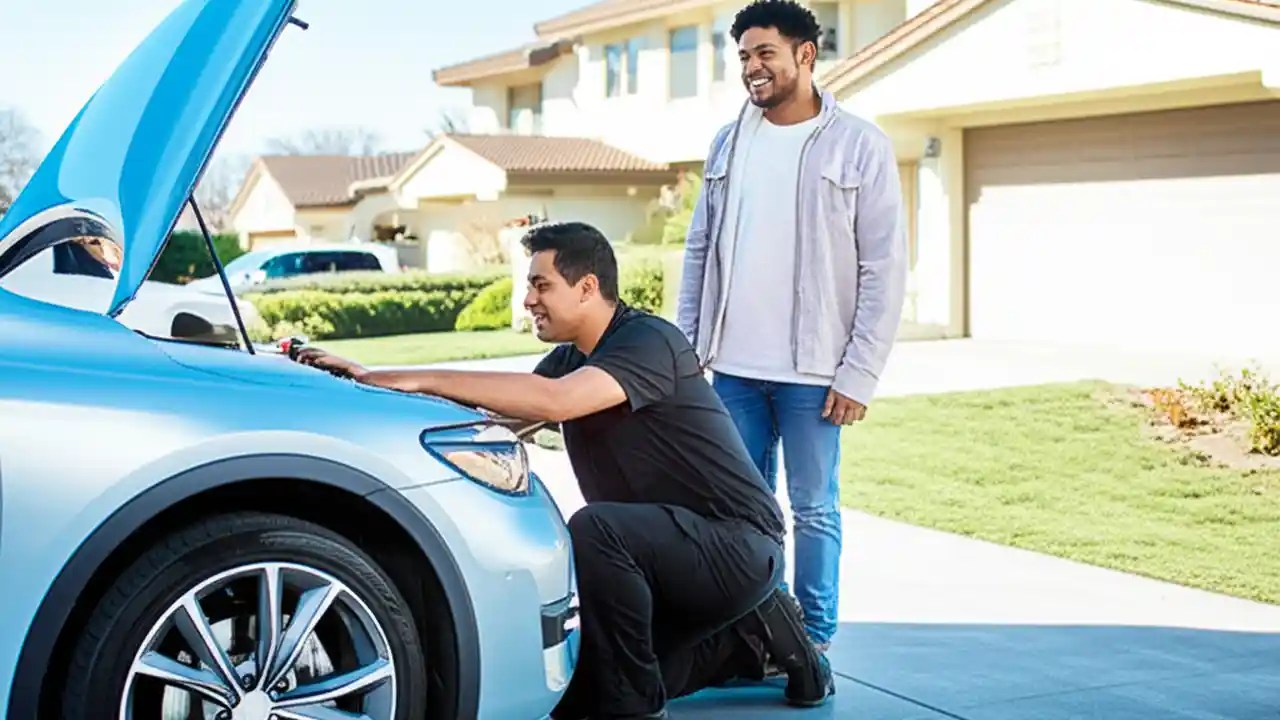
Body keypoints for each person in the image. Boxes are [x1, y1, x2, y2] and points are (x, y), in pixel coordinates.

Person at [293, 221, 835, 719]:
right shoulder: (569, 361)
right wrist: (363, 387)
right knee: (579, 695)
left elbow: (552, 402)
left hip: (736, 545)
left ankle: (637, 710)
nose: (527, 299)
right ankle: (753, 643)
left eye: (541, 285)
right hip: (660, 558)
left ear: (586, 286)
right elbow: (490, 418)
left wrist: (409, 376)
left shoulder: (650, 341)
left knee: (597, 537)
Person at [676, 0, 908, 652]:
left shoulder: (860, 145)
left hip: (816, 374)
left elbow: (884, 268)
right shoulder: (728, 142)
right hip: (734, 371)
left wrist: (859, 371)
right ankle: (751, 634)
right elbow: (699, 249)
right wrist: (688, 348)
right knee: (738, 514)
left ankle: (812, 640)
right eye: (744, 56)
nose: (752, 68)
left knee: (813, 510)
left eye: (764, 54)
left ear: (806, 54)